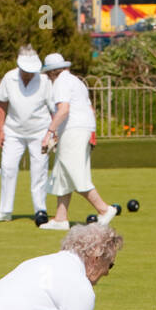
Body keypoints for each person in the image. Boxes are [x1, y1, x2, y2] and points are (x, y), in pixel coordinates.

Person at [39, 53, 117, 229]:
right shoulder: (77, 82)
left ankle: (104, 209)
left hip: (74, 130)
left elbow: (64, 110)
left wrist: (49, 133)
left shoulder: (60, 83)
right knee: (62, 173)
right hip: (80, 129)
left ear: (51, 73)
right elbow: (90, 110)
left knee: (74, 173)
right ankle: (60, 218)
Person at [0, 46, 52, 223]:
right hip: (13, 131)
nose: (29, 74)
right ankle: (5, 210)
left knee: (39, 170)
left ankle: (40, 209)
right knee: (8, 167)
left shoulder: (44, 80)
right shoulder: (9, 78)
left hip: (40, 131)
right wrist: (0, 130)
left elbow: (53, 107)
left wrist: (52, 133)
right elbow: (1, 103)